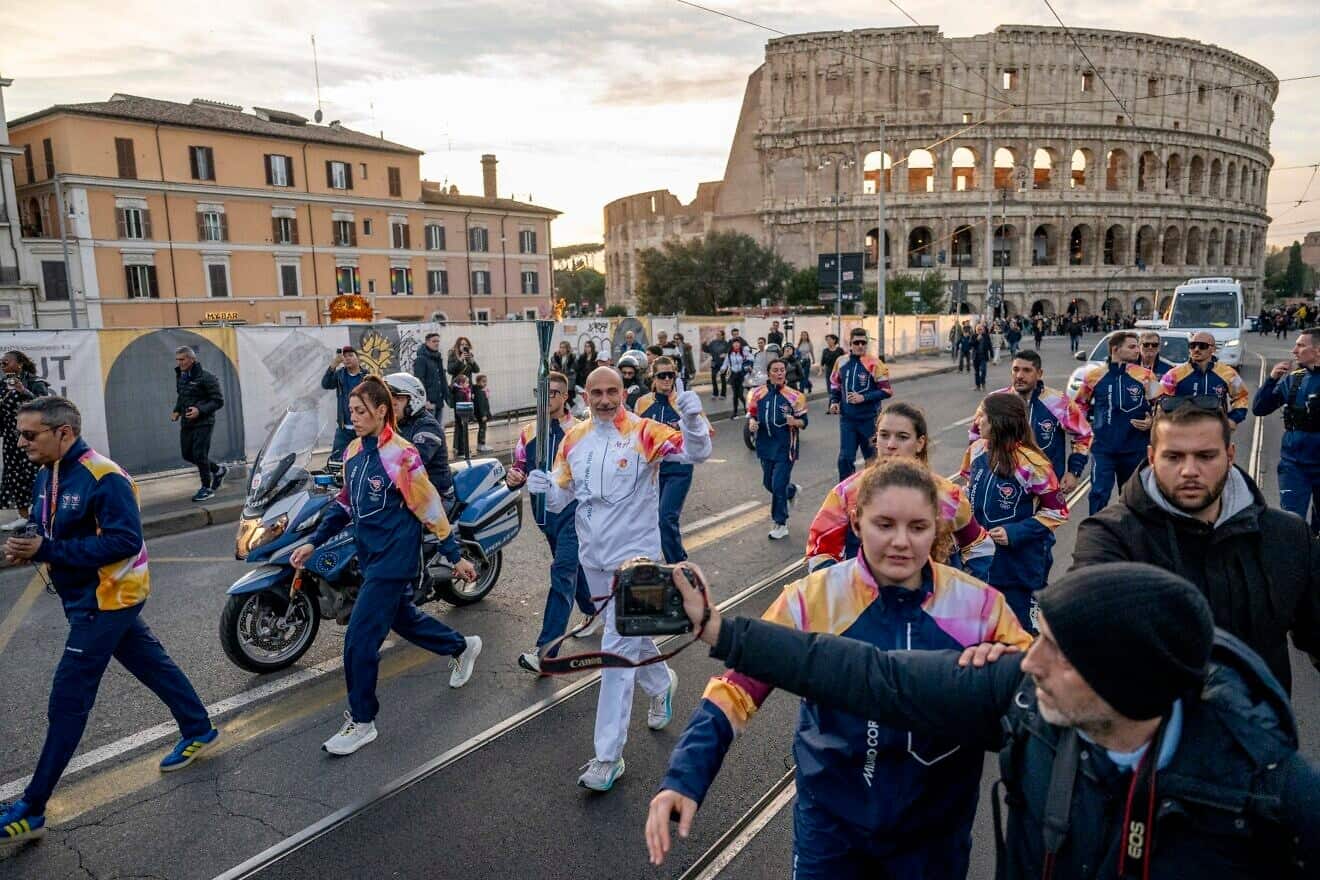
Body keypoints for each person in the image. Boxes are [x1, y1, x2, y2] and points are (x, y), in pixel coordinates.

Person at [665, 562, 1320, 879]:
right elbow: (868, 675)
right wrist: (718, 629)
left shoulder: (1273, 794)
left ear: (1125, 679)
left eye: (1054, 651)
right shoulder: (1023, 700)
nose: (1025, 662)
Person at [648, 461, 1032, 878]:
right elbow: (736, 689)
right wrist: (685, 776)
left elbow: (1037, 702)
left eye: (918, 528)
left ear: (936, 529)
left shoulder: (980, 607)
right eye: (884, 524)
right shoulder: (811, 599)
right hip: (832, 830)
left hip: (933, 836)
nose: (901, 542)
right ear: (856, 520)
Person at [0, 397, 219, 847]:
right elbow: (52, 533)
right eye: (20, 434)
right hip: (83, 598)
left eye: (29, 434)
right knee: (151, 664)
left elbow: (123, 541)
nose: (20, 443)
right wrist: (29, 543)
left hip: (110, 599)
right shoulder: (47, 474)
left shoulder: (106, 477)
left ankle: (32, 807)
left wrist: (46, 551)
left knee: (68, 698)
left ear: (63, 432)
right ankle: (199, 727)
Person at [523, 366, 711, 791]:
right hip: (594, 558)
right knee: (622, 631)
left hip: (638, 560)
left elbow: (695, 452)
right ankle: (661, 684)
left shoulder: (645, 432)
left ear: (624, 393)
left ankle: (607, 758)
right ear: (584, 397)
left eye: (612, 391)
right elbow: (562, 496)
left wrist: (694, 420)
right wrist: (544, 486)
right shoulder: (574, 439)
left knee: (615, 654)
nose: (605, 399)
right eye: (596, 393)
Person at [1073, 396, 1320, 689]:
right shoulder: (1110, 538)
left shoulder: (1288, 537)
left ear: (1230, 455)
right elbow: (1079, 648)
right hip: (1159, 731)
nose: (1189, 470)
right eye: (1174, 457)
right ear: (1152, 458)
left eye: (1205, 456)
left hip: (1257, 732)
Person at [290, 376, 480, 756]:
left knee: (358, 641)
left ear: (382, 411)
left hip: (394, 561)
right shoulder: (354, 452)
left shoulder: (402, 454)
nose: (354, 418)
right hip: (370, 555)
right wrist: (313, 542)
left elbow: (429, 507)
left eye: (361, 411)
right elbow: (345, 504)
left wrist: (454, 554)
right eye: (351, 412)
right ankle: (462, 646)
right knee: (403, 619)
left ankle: (362, 721)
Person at [807, 402, 994, 577]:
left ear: (920, 443)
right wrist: (848, 596)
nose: (890, 445)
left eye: (902, 437)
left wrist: (966, 594)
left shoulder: (947, 495)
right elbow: (820, 553)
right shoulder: (846, 493)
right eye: (884, 435)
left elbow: (979, 545)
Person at [507, 371, 600, 673]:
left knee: (562, 574)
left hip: (575, 515)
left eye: (555, 393)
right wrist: (513, 479)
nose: (547, 399)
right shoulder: (529, 433)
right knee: (573, 569)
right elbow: (519, 468)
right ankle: (592, 608)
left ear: (565, 397)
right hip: (545, 517)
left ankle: (546, 652)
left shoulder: (581, 431)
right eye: (542, 393)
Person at [962, 393, 1068, 631]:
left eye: (983, 417)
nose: (978, 422)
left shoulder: (1033, 464)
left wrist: (1016, 532)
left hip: (1017, 565)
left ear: (999, 422)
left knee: (1017, 631)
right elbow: (968, 491)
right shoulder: (977, 450)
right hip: (979, 560)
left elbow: (1057, 511)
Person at [970, 350, 1091, 491]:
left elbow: (1084, 434)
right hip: (1002, 488)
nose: (1020, 376)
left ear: (1039, 374)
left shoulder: (1059, 402)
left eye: (1027, 370)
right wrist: (976, 473)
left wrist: (1074, 472)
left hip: (1045, 488)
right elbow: (975, 437)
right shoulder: (994, 401)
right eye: (1016, 370)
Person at [1072, 331, 1163, 514]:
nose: (1138, 350)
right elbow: (1078, 406)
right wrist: (1084, 428)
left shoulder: (1146, 376)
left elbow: (1161, 405)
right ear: (1115, 349)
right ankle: (1097, 534)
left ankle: (1131, 535)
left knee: (1132, 496)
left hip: (1134, 448)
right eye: (1132, 346)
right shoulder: (1094, 376)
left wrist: (1153, 421)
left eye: (1137, 346)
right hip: (1103, 448)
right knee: (1098, 493)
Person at [1252, 328, 1320, 533]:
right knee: (1291, 522)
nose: (1294, 350)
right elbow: (1260, 408)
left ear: (1317, 350)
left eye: (1301, 345)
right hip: (1294, 465)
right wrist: (1271, 379)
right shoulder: (1295, 379)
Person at [634, 358, 699, 563]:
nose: (667, 379)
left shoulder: (684, 403)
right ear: (653, 378)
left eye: (671, 375)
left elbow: (702, 434)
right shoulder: (642, 403)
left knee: (665, 517)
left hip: (679, 470)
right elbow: (635, 436)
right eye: (662, 375)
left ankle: (678, 565)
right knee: (648, 521)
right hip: (651, 472)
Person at [747, 359, 808, 540]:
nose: (780, 373)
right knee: (769, 484)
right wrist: (752, 423)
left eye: (782, 370)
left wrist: (795, 422)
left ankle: (780, 523)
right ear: (769, 373)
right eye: (776, 370)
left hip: (785, 447)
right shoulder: (757, 393)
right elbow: (752, 413)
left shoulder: (795, 396)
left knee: (777, 485)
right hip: (765, 445)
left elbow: (804, 422)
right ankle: (792, 491)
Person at [828, 328, 892, 480]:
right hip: (847, 419)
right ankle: (844, 495)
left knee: (872, 459)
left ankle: (870, 492)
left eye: (863, 342)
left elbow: (887, 391)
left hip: (869, 419)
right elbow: (835, 385)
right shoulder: (841, 361)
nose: (860, 346)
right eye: (857, 342)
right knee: (845, 459)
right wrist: (834, 402)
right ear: (850, 344)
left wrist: (864, 397)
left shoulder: (875, 363)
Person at [385, 373, 454, 509]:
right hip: (408, 492)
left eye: (398, 398)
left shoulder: (427, 426)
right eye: (389, 399)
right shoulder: (396, 424)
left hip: (436, 496)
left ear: (413, 400)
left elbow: (413, 462)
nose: (392, 404)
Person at [0, 350, 50, 526]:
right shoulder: (1, 386)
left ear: (19, 364)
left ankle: (41, 514)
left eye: (6, 362)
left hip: (32, 437)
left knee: (35, 475)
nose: (2, 365)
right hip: (9, 439)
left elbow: (47, 406)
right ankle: (23, 517)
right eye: (1, 363)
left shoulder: (35, 383)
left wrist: (24, 391)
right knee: (15, 475)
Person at [1158, 332, 1248, 426]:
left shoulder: (1228, 373)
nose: (1196, 349)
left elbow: (1242, 397)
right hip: (1183, 429)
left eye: (1202, 346)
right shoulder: (1173, 374)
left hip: (1214, 430)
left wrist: (1233, 419)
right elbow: (1160, 399)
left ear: (1213, 349)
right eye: (1192, 346)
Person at [173, 345, 226, 501]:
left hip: (204, 422)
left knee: (199, 454)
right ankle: (218, 470)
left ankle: (206, 488)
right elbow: (182, 396)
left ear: (192, 359)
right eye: (177, 360)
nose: (179, 363)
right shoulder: (181, 376)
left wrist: (199, 410)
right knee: (187, 454)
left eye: (182, 359)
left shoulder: (207, 377)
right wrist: (177, 410)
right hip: (187, 422)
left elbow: (218, 401)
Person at [322, 345, 366, 464]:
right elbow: (325, 384)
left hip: (363, 429)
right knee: (336, 462)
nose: (347, 358)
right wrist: (333, 365)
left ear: (358, 359)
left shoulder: (366, 376)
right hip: (344, 429)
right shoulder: (340, 374)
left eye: (351, 355)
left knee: (363, 461)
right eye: (344, 356)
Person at [411, 332, 450, 423]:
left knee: (438, 430)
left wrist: (447, 396)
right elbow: (419, 380)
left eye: (438, 341)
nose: (437, 343)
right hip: (429, 403)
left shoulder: (437, 357)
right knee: (430, 429)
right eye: (434, 341)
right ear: (427, 342)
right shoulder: (421, 359)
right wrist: (425, 400)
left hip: (439, 401)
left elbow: (442, 378)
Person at [721, 338, 753, 418]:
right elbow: (726, 363)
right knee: (735, 395)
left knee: (740, 394)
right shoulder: (730, 354)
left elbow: (752, 359)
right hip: (734, 376)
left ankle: (748, 409)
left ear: (740, 344)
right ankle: (735, 413)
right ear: (732, 345)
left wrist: (748, 365)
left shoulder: (743, 352)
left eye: (737, 343)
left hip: (742, 375)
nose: (736, 344)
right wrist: (722, 369)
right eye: (734, 343)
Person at [449, 372, 472, 458]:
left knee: (463, 433)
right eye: (467, 382)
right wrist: (462, 418)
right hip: (461, 417)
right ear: (461, 384)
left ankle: (464, 449)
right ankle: (462, 451)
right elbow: (460, 406)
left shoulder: (463, 391)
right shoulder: (460, 393)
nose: (468, 384)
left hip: (462, 416)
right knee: (462, 434)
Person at [703, 329, 728, 400]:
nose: (717, 336)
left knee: (723, 379)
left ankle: (723, 394)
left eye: (719, 335)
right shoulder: (713, 342)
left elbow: (729, 352)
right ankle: (715, 393)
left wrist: (725, 354)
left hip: (723, 364)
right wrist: (704, 344)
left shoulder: (725, 343)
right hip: (714, 363)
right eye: (717, 335)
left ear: (723, 336)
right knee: (713, 377)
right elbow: (707, 350)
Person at [970, 323, 993, 391]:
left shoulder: (986, 336)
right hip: (976, 356)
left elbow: (990, 345)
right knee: (976, 372)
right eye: (978, 329)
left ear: (983, 330)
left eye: (981, 329)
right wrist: (977, 340)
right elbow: (971, 344)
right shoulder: (973, 336)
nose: (979, 331)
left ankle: (983, 384)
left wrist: (992, 355)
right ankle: (977, 386)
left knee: (983, 370)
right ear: (976, 330)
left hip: (983, 356)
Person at [473, 372, 492, 452]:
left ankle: (481, 444)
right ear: (478, 382)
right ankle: (481, 444)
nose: (485, 383)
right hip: (482, 415)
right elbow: (480, 405)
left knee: (483, 428)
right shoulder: (479, 392)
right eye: (483, 381)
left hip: (482, 414)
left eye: (486, 381)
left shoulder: (480, 390)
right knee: (482, 429)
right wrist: (483, 415)